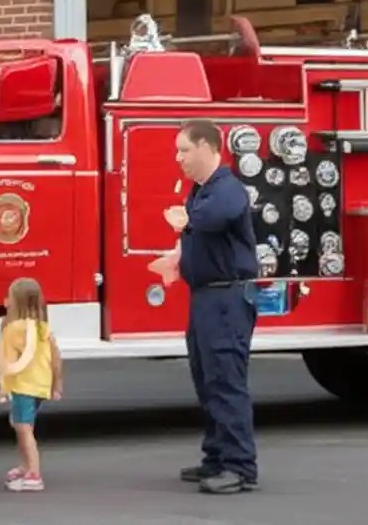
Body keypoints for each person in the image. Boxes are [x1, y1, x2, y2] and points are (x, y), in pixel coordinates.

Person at [165, 119, 260, 495]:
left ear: (207, 147)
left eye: (184, 150)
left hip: (226, 298)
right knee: (207, 379)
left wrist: (185, 220)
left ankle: (239, 466)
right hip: (206, 296)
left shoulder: (227, 188)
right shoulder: (201, 190)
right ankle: (217, 457)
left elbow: (212, 220)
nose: (179, 158)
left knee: (225, 380)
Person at [0, 277, 64, 492]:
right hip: (41, 385)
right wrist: (56, 384)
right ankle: (26, 467)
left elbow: (5, 360)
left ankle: (33, 474)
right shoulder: (43, 328)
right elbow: (55, 357)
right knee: (25, 426)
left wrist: (3, 388)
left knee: (23, 429)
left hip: (22, 386)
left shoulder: (12, 328)